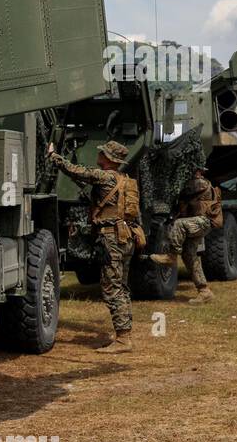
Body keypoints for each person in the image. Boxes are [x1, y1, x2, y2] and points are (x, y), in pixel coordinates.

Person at [48, 140, 145, 354]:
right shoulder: (124, 180)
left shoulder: (105, 177)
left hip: (112, 239)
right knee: (122, 286)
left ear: (109, 159)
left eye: (102, 153)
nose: (98, 154)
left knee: (112, 289)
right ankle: (124, 332)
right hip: (125, 237)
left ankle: (123, 339)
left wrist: (54, 156)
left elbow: (76, 170)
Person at [150, 165, 222, 305]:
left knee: (179, 224)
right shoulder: (194, 186)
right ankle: (204, 291)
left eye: (192, 170)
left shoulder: (200, 183)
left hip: (203, 221)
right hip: (197, 222)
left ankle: (171, 256)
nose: (189, 173)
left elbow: (179, 190)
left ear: (200, 172)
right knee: (189, 255)